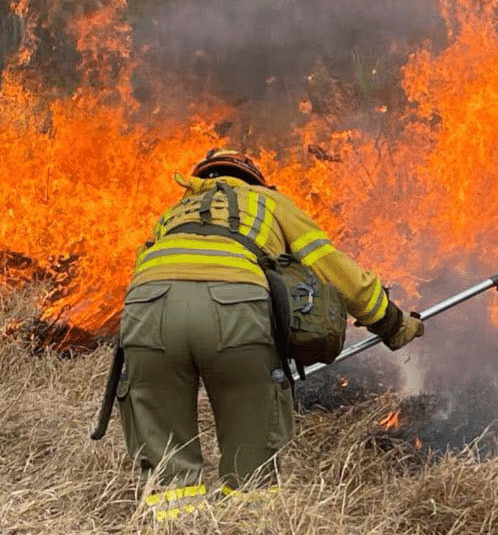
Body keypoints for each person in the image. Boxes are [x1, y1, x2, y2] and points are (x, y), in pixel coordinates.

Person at [116, 149, 423, 521]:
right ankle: (249, 522)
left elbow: (142, 271)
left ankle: (174, 524)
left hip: (147, 308)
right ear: (254, 179)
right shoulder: (269, 202)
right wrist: (391, 322)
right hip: (233, 310)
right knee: (252, 454)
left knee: (166, 459)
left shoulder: (174, 213)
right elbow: (333, 268)